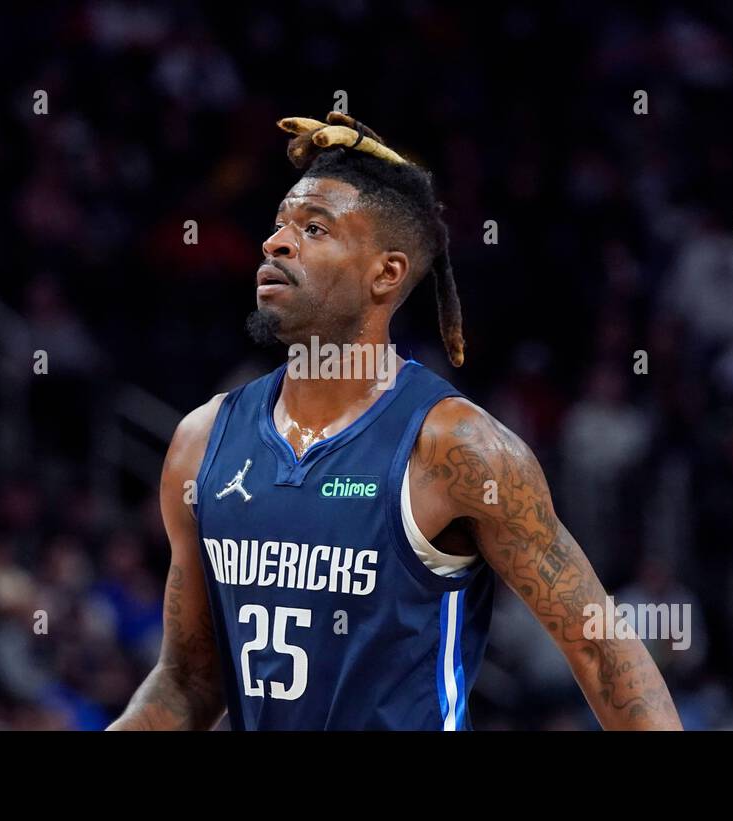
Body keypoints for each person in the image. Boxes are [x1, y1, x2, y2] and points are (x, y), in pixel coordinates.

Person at [108, 113, 681, 730]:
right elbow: (188, 681)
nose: (275, 243)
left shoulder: (457, 449)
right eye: (278, 226)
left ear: (387, 273)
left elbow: (600, 649)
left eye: (314, 229)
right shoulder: (202, 443)